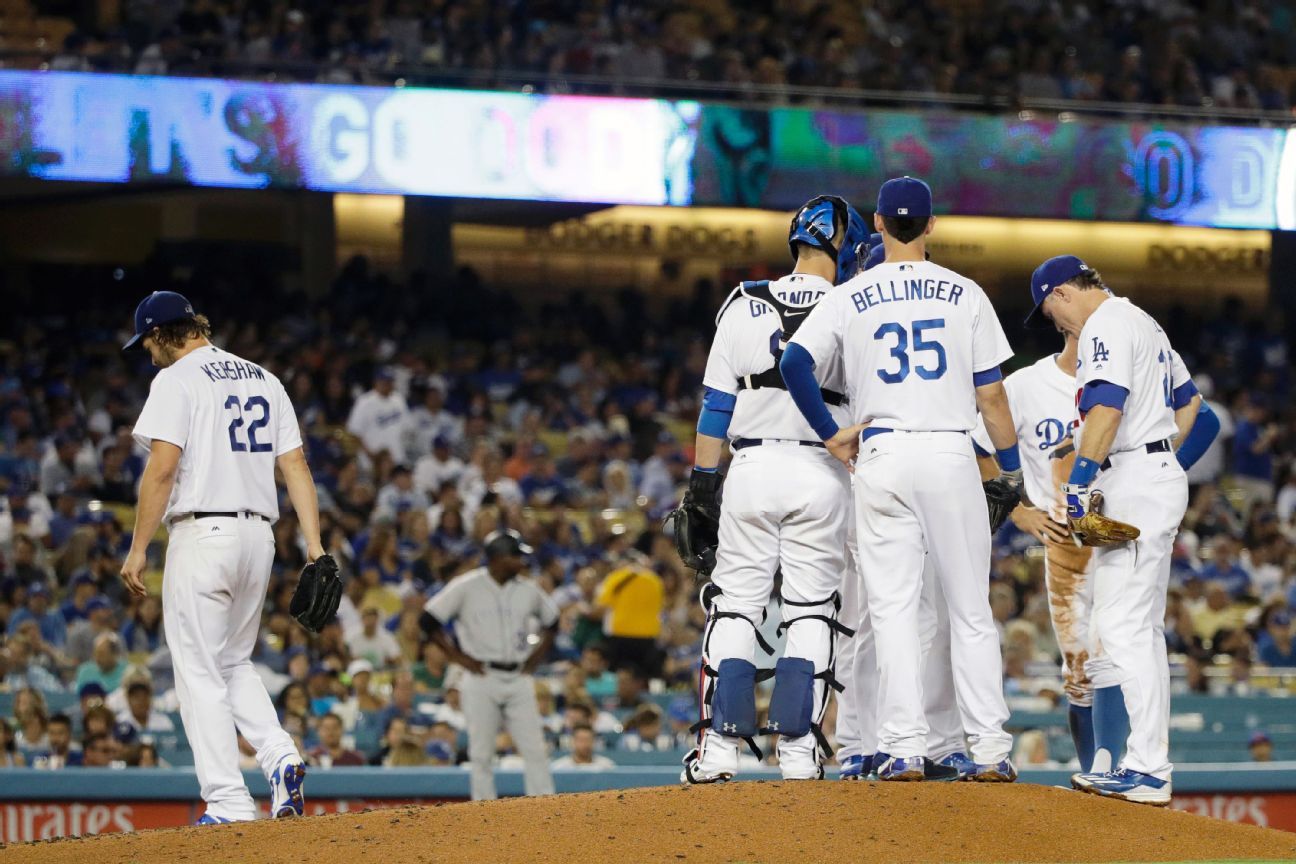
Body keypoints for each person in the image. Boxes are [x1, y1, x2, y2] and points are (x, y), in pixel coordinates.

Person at [783, 177, 1019, 781]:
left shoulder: (852, 292)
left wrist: (829, 431)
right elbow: (991, 396)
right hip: (948, 452)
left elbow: (794, 361)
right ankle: (990, 750)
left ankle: (904, 748)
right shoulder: (965, 292)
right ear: (933, 226)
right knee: (969, 611)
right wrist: (1012, 471)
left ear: (880, 225)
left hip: (882, 454)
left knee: (890, 612)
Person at [118, 291, 328, 823]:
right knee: (231, 661)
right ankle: (280, 757)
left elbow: (162, 470)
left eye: (148, 343)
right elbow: (297, 465)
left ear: (165, 332)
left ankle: (229, 801)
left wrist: (139, 546)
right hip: (259, 539)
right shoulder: (265, 378)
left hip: (203, 534)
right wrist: (316, 546)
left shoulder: (176, 379)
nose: (148, 354)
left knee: (197, 671)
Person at [681, 194, 868, 784]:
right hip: (823, 470)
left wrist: (702, 488)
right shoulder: (854, 306)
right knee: (811, 608)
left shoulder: (744, 302)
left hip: (752, 468)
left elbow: (715, 408)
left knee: (736, 603)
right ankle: (797, 754)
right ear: (847, 247)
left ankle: (717, 753)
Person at [973, 321, 1213, 776]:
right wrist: (1021, 511)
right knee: (1078, 673)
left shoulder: (1132, 372)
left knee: (1114, 651)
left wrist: (1163, 469)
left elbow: (1205, 419)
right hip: (1064, 540)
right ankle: (1095, 775)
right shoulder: (1027, 384)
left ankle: (1111, 767)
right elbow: (978, 444)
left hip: (1116, 528)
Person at [1025, 255, 1191, 805]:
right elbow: (1186, 406)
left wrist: (1077, 483)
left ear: (1062, 294)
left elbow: (1106, 406)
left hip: (1138, 475)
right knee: (1137, 629)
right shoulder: (1142, 320)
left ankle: (1148, 767)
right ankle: (1148, 763)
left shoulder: (1106, 324)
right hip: (1150, 471)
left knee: (1120, 625)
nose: (1054, 323)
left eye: (1050, 310)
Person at [420, 529, 558, 801]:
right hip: (481, 676)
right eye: (516, 556)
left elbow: (552, 622)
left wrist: (535, 658)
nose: (522, 561)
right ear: (499, 558)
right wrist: (458, 657)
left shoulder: (528, 589)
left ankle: (545, 807)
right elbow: (428, 621)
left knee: (534, 749)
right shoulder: (467, 585)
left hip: (518, 676)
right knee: (481, 753)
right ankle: (484, 809)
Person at [551, 724, 615, 770]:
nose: (585, 744)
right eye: (581, 740)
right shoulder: (558, 768)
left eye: (589, 740)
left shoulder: (607, 766)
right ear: (573, 742)